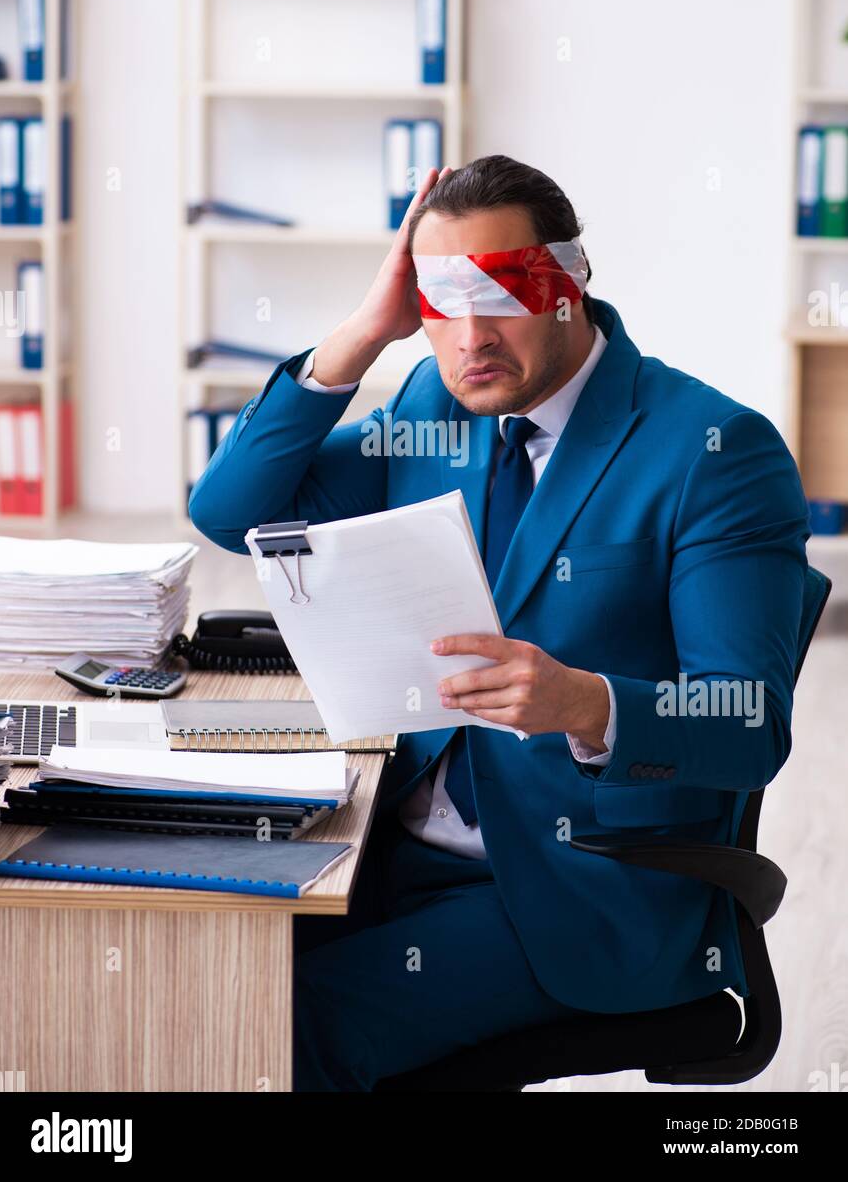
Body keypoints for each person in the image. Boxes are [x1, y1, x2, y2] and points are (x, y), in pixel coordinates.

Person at [189, 154, 809, 1091]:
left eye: (503, 293)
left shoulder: (712, 453)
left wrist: (587, 705)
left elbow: (748, 723)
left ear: (569, 283)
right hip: (385, 843)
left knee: (279, 1029)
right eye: (443, 301)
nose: (471, 336)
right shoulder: (440, 404)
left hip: (580, 892)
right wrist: (362, 335)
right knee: (188, 975)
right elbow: (231, 514)